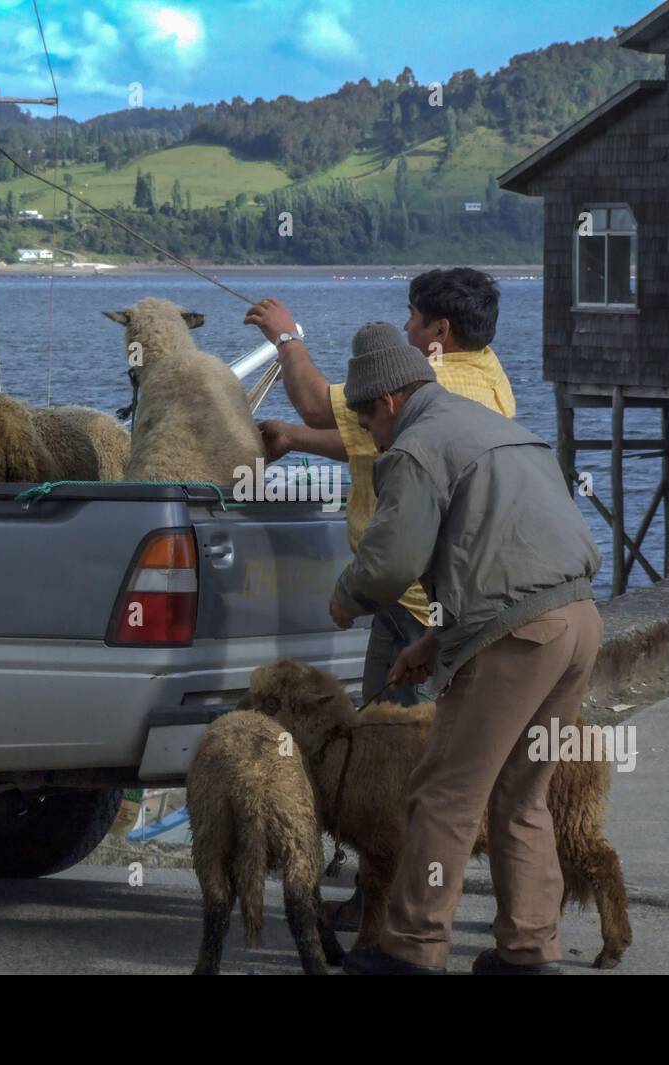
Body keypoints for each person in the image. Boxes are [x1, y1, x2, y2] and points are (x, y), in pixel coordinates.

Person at [244, 269, 518, 928]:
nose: (404, 328)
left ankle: (410, 916)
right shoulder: (486, 374)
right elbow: (375, 430)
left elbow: (320, 402)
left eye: (412, 318)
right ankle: (378, 893)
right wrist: (295, 441)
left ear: (438, 333)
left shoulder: (437, 381)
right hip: (413, 605)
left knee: (411, 768)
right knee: (371, 748)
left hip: (425, 604)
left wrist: (288, 337)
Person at [325, 328, 603, 975]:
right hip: (578, 621)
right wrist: (435, 640)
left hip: (520, 637)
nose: (368, 436)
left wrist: (347, 596)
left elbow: (391, 563)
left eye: (365, 418)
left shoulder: (416, 447)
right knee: (522, 796)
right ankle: (528, 952)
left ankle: (412, 950)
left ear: (389, 400)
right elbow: (504, 553)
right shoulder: (488, 425)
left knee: (443, 793)